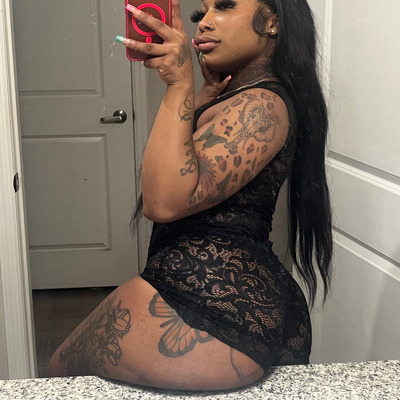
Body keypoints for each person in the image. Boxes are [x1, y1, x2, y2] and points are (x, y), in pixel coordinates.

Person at [48, 0, 332, 390]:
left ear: (272, 23)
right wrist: (202, 94)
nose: (204, 23)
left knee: (58, 376)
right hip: (224, 298)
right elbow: (188, 165)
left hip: (211, 306)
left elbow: (163, 202)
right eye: (202, 14)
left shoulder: (262, 105)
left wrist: (178, 85)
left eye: (224, 7)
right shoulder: (242, 97)